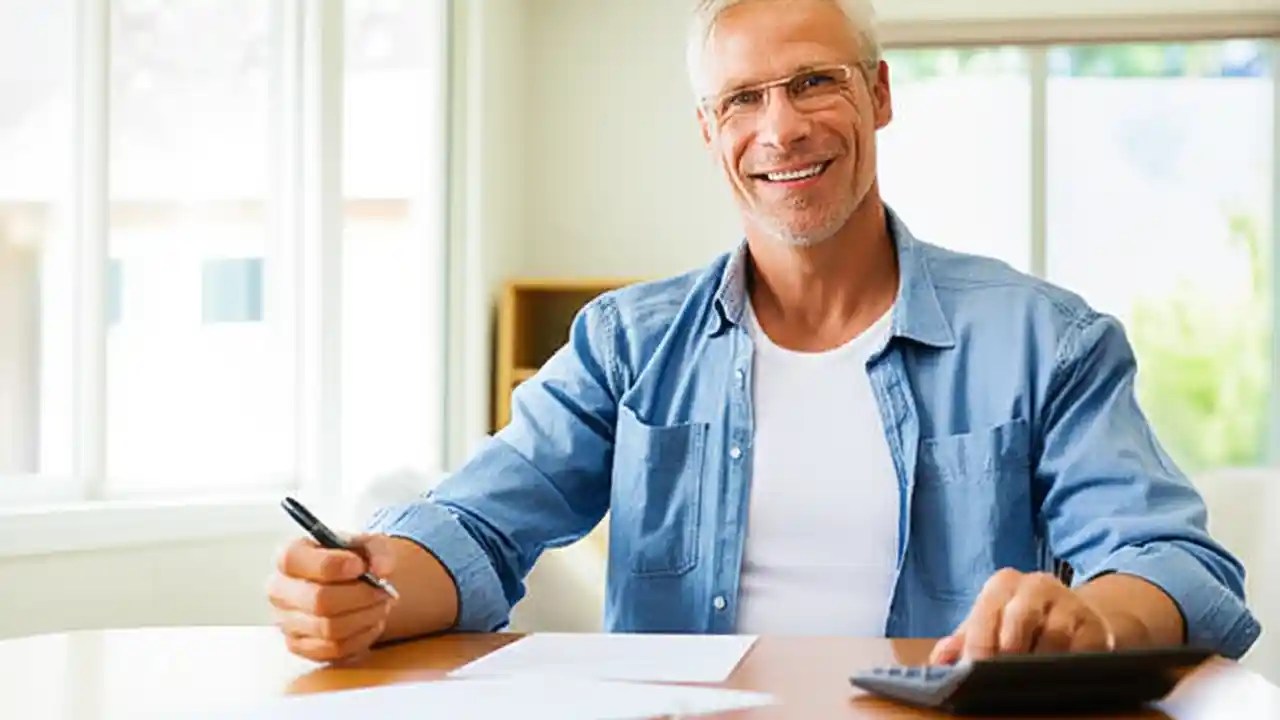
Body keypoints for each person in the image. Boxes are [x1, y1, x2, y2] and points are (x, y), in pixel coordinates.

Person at [266, 0, 1260, 665]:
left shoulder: (1047, 340)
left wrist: (1090, 620)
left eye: (813, 82)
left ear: (878, 94)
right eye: (742, 98)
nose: (780, 128)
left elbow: (1176, 567)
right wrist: (369, 592)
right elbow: (476, 527)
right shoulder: (624, 347)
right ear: (709, 132)